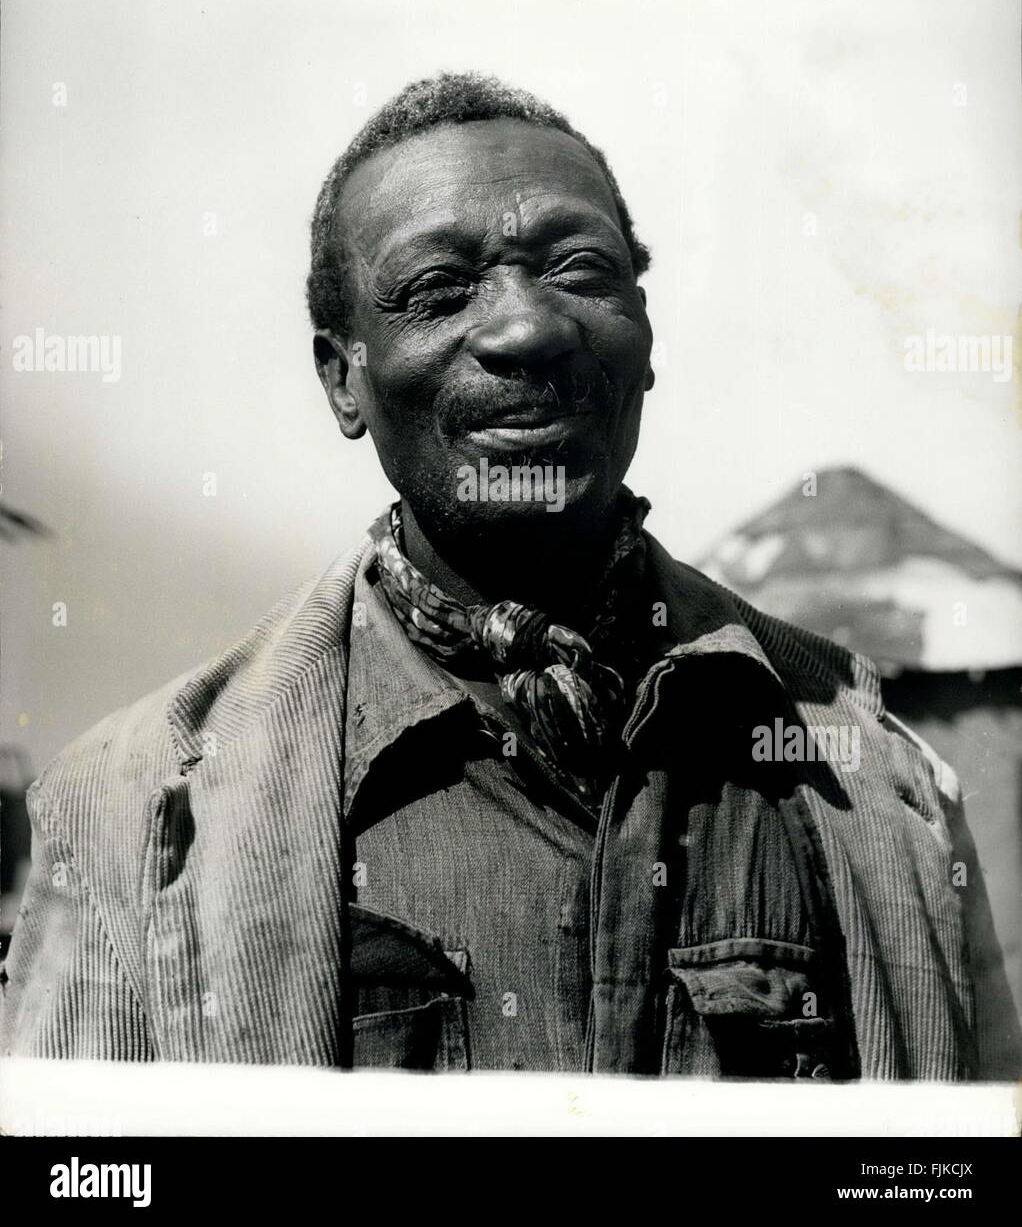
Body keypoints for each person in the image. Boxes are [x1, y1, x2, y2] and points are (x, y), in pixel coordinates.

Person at [3, 72, 1018, 1078]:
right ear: (342, 375)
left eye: (578, 269)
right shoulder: (132, 817)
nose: (525, 329)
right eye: (438, 291)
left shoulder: (872, 779)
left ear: (646, 335)